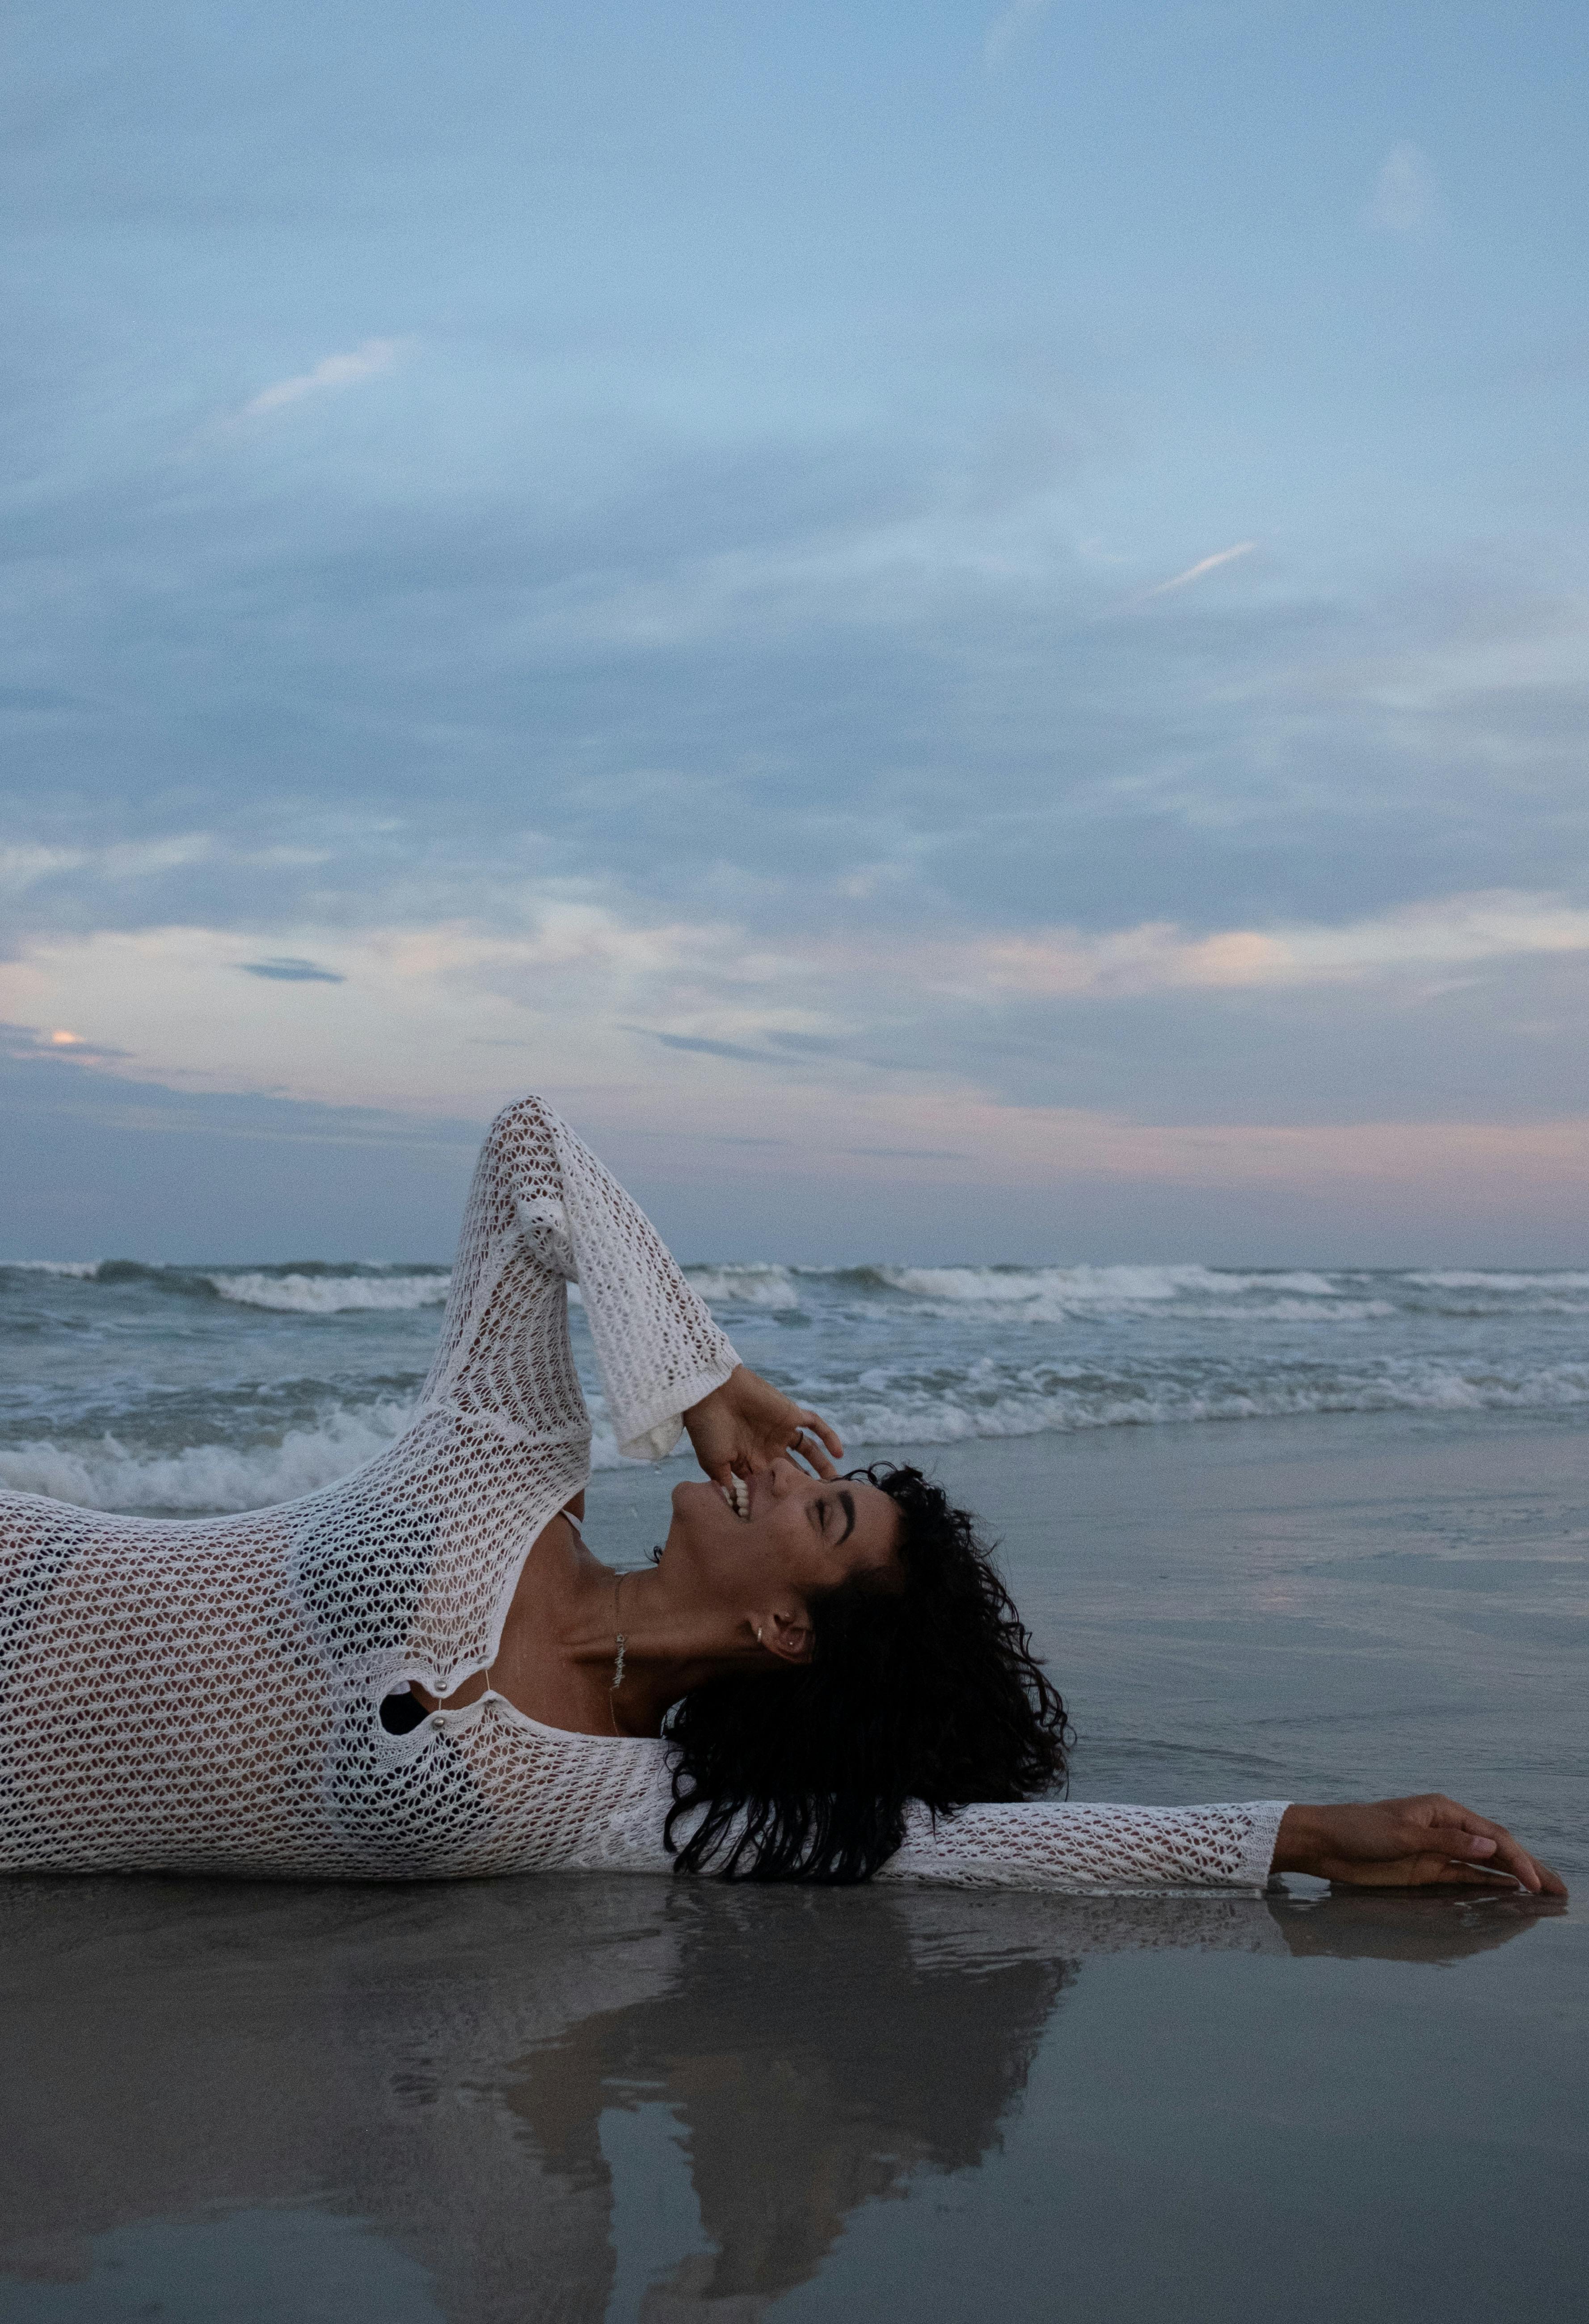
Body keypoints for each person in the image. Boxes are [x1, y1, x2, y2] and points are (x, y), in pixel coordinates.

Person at [0, 1096, 1565, 1898]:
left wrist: (1300, 1835)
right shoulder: (502, 1463)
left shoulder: (632, 1810)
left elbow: (967, 1855)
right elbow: (527, 1154)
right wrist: (698, 1372)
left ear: (786, 1631)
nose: (790, 1470)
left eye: (827, 1514)